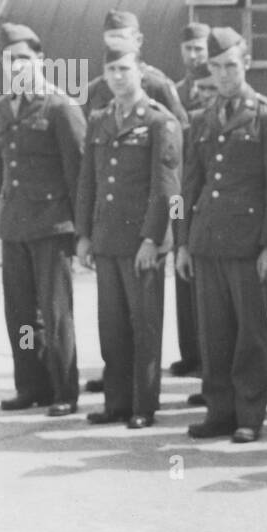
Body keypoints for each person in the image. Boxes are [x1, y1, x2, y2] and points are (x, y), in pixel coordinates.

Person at [175, 27, 267, 443]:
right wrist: (183, 243)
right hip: (207, 242)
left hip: (248, 246)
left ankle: (249, 415)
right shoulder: (201, 119)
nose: (224, 74)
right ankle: (219, 411)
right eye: (216, 67)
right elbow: (188, 186)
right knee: (213, 334)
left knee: (250, 333)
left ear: (246, 64)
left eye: (231, 65)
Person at [75, 40, 181, 428]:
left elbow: (167, 188)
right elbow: (88, 181)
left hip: (141, 242)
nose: (118, 77)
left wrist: (153, 239)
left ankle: (143, 404)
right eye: (112, 71)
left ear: (141, 72)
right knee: (112, 324)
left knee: (144, 324)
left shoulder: (159, 121)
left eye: (125, 70)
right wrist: (84, 234)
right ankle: (116, 402)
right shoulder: (100, 119)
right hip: (106, 239)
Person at [0, 22, 86, 417]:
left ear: (40, 61)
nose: (16, 68)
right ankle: (31, 384)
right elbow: (0, 172)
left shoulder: (60, 106)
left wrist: (82, 233)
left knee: (55, 311)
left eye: (24, 60)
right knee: (22, 315)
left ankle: (64, 389)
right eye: (10, 61)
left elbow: (79, 173)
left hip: (52, 225)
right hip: (14, 225)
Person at [170, 21, 213, 378]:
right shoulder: (175, 91)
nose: (195, 54)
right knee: (183, 276)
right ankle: (190, 352)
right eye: (189, 49)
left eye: (200, 48)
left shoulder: (218, 88)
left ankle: (210, 357)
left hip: (210, 195)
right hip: (181, 191)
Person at [84, 9, 189, 124]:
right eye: (111, 39)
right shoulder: (94, 90)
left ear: (138, 40)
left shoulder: (158, 85)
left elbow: (179, 127)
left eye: (121, 38)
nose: (115, 46)